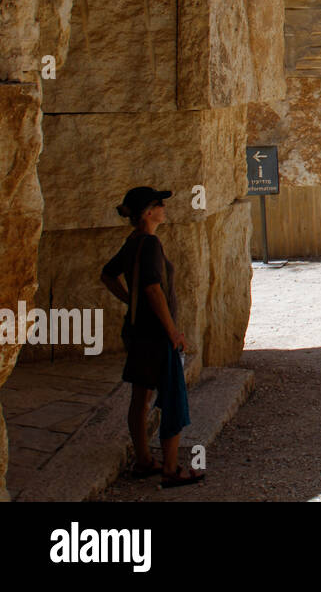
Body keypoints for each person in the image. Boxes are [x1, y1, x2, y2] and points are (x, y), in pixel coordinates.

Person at [100, 186, 204, 489]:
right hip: (156, 335)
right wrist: (172, 330)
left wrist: (128, 301)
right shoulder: (150, 244)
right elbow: (153, 289)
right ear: (148, 212)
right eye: (160, 204)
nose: (164, 209)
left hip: (136, 331)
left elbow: (107, 275)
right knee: (172, 397)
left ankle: (145, 459)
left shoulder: (132, 242)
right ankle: (171, 468)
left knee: (140, 395)